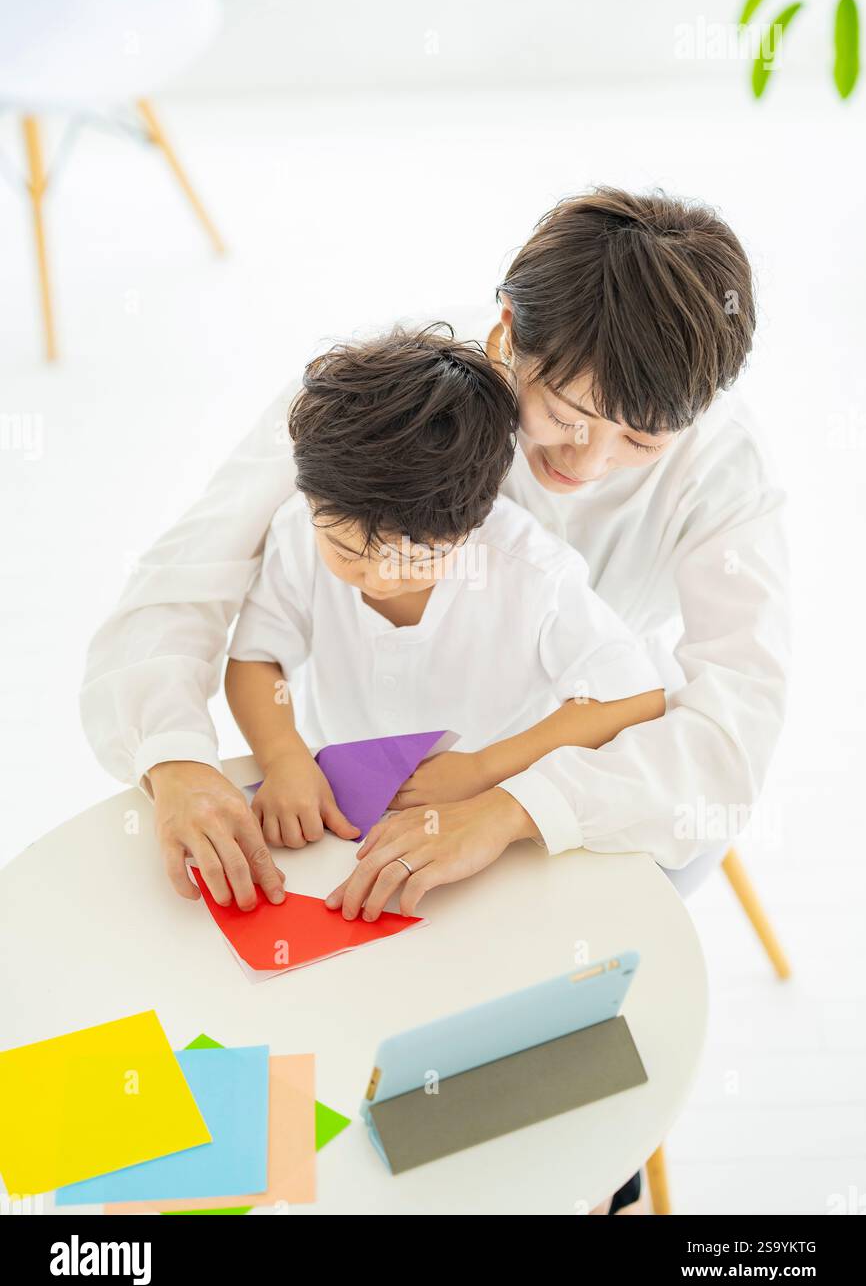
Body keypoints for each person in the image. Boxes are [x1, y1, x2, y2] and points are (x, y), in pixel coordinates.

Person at [80, 187, 789, 918]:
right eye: (564, 415)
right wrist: (175, 756)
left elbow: (732, 734)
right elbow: (187, 577)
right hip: (374, 777)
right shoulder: (389, 392)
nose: (588, 462)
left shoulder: (724, 465)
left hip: (591, 780)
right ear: (508, 333)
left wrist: (512, 805)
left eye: (641, 442)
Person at [220, 327, 664, 918]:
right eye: (348, 554)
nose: (377, 577)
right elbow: (256, 657)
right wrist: (283, 756)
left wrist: (484, 770)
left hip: (492, 830)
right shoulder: (301, 536)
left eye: (416, 562)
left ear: (475, 520)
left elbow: (631, 695)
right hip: (349, 812)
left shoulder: (529, 571)